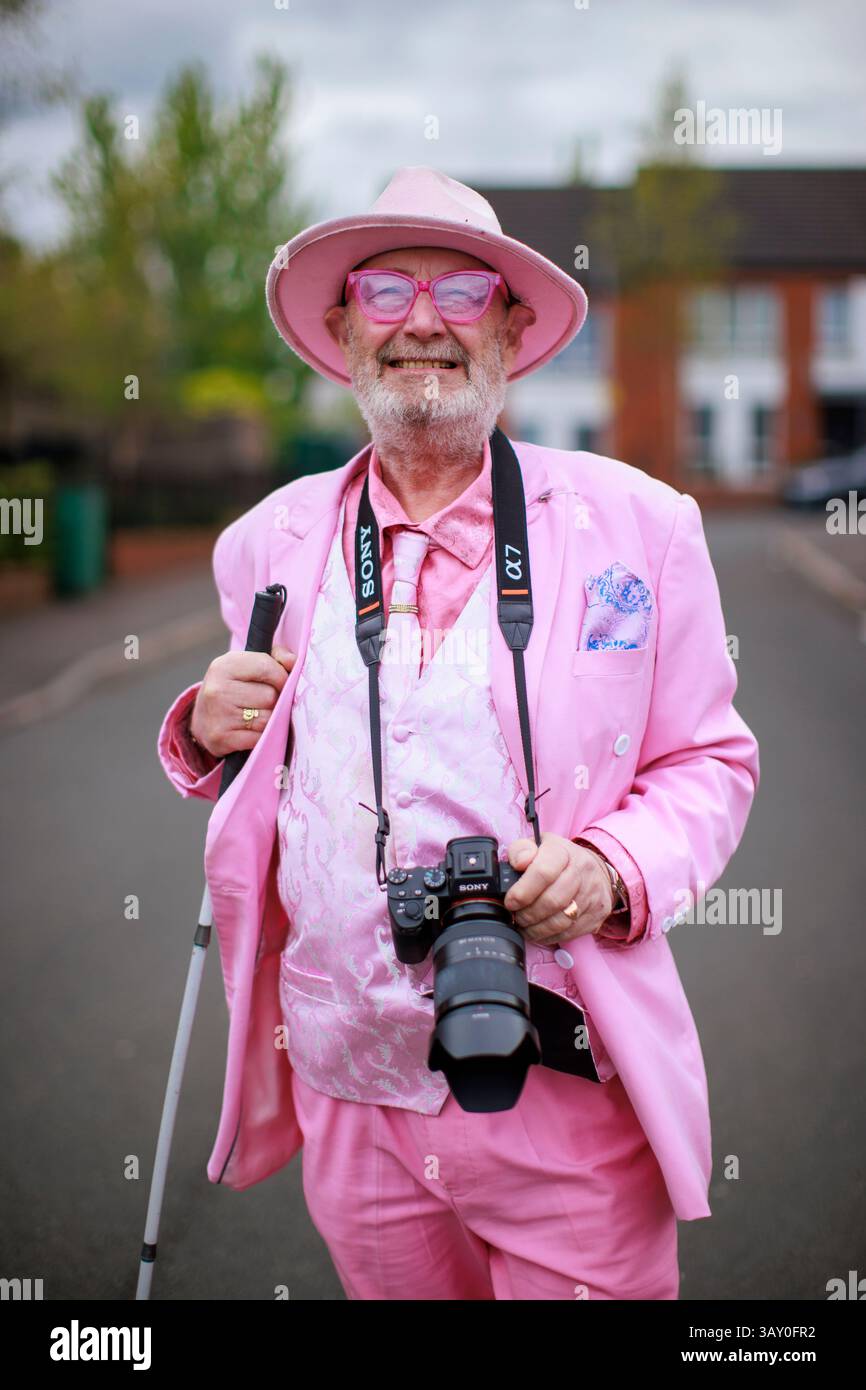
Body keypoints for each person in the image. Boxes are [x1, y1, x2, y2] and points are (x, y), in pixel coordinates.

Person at [157, 165, 760, 1300]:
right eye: (384, 291)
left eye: (464, 292)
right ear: (343, 330)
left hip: (561, 1083)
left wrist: (610, 868)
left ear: (513, 329)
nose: (421, 322)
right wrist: (202, 725)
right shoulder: (267, 541)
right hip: (350, 1084)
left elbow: (710, 760)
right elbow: (264, 754)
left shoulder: (641, 526)